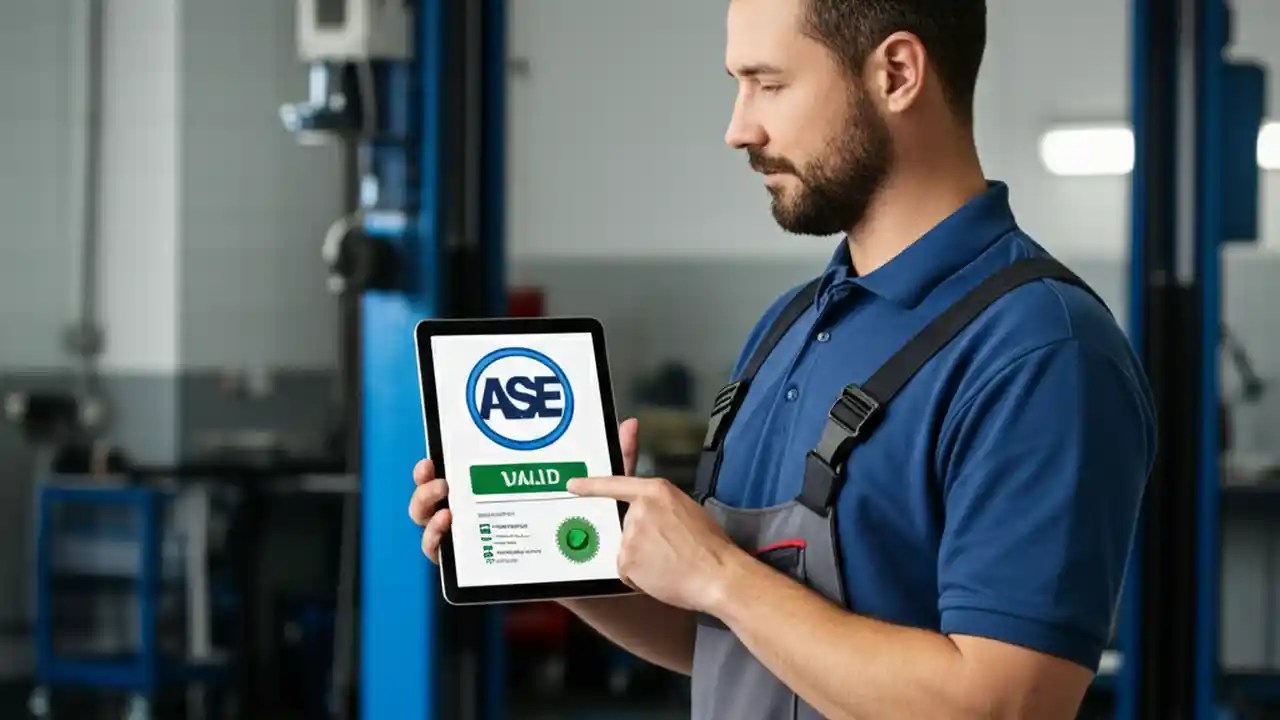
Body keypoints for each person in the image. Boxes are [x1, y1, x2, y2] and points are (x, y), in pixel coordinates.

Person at [410, 0, 1156, 717]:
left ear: (896, 73)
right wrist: (552, 551)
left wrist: (720, 573)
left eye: (768, 84)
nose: (739, 128)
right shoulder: (793, 323)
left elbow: (1004, 709)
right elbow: (728, 637)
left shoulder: (1040, 352)